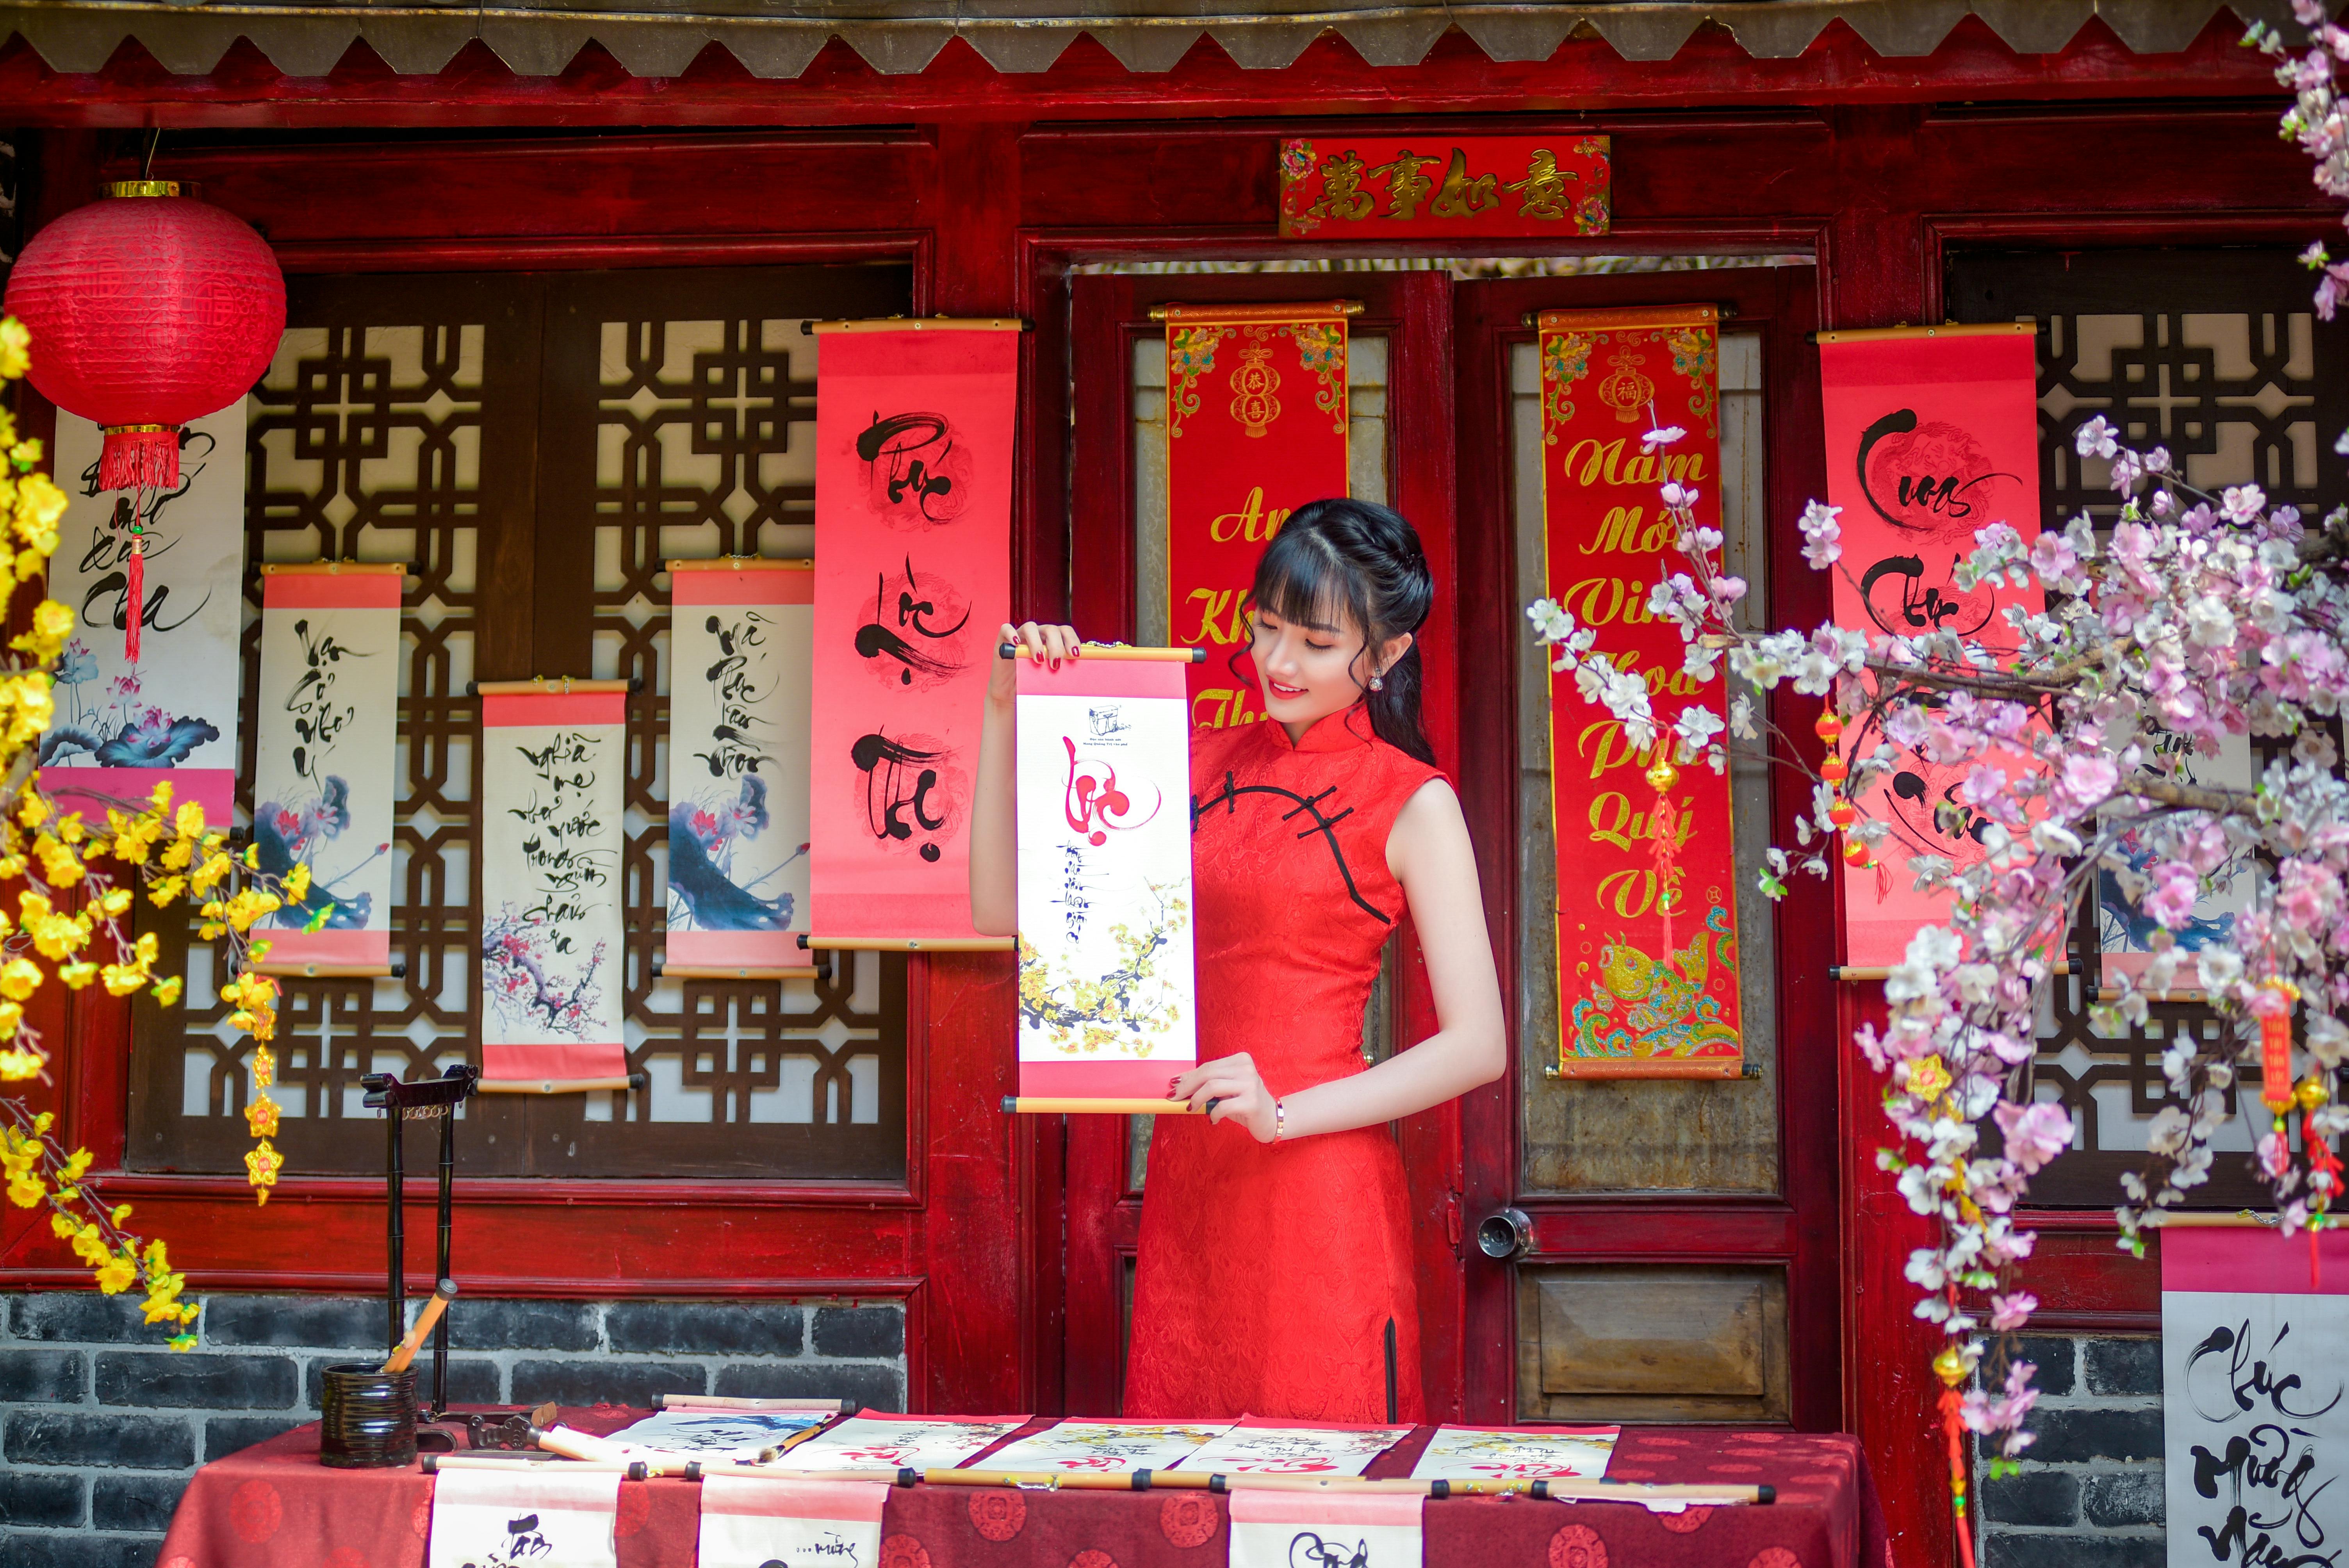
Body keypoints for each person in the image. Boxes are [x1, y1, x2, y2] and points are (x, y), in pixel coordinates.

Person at [970, 497, 1505, 1423]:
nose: (1277, 662)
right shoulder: (1191, 765)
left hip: (1318, 1185)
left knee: (1319, 1504)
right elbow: (997, 912)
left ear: (1383, 656)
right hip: (1194, 1179)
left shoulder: (1413, 801)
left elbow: (1477, 1045)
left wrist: (1281, 1112)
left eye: (1313, 640)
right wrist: (1003, 712)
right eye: (1264, 629)